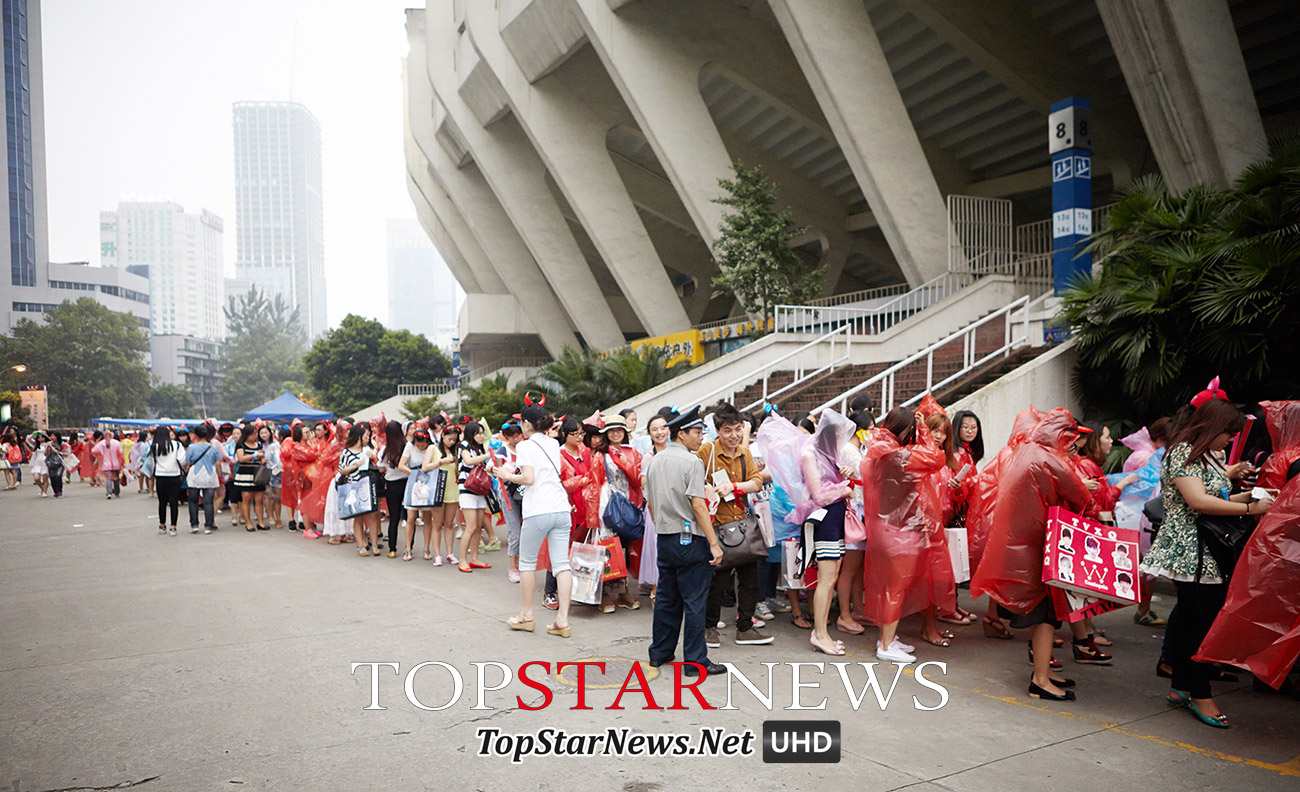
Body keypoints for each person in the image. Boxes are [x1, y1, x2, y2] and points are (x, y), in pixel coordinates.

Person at [1140, 398, 1273, 727]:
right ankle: (1199, 693)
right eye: (1228, 433)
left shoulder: (1203, 455)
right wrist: (1248, 509)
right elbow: (1199, 501)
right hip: (1191, 551)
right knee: (1200, 623)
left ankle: (1182, 687)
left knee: (1190, 619)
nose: (1230, 439)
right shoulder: (1184, 453)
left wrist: (1252, 497)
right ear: (1213, 428)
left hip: (1204, 549)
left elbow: (1217, 496)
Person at [970, 408, 1096, 702]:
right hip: (1041, 547)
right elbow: (1083, 498)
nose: (1075, 443)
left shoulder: (1024, 451)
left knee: (1045, 614)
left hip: (1022, 544)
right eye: (1073, 437)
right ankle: (1040, 679)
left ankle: (1044, 672)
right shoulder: (1050, 458)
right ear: (1061, 435)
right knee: (1046, 616)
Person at [646, 406, 725, 677]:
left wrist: (661, 525)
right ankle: (695, 661)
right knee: (694, 601)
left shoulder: (656, 459)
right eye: (697, 432)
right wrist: (714, 543)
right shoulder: (692, 462)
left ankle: (660, 652)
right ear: (681, 434)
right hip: (690, 538)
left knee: (667, 599)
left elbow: (650, 503)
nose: (701, 437)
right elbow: (699, 505)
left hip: (665, 537)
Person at [493, 404, 573, 638]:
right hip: (561, 508)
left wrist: (507, 475)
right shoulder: (553, 443)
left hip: (538, 509)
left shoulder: (526, 445)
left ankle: (527, 615)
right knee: (561, 565)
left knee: (526, 564)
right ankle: (562, 620)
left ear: (528, 424)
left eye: (521, 423)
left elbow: (528, 478)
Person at [697, 402, 770, 648]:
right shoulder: (706, 452)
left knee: (750, 579)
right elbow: (692, 481)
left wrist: (733, 487)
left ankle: (745, 628)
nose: (734, 435)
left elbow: (757, 482)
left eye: (738, 429)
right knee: (717, 581)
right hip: (715, 526)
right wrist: (708, 490)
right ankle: (708, 628)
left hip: (741, 525)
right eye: (728, 430)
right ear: (718, 430)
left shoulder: (744, 452)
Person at [591, 413, 645, 613]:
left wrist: (625, 462)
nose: (616, 434)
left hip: (628, 507)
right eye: (612, 430)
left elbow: (638, 480)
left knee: (624, 549)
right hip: (607, 506)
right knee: (607, 549)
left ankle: (623, 592)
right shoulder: (600, 455)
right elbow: (594, 484)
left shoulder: (633, 453)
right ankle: (605, 593)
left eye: (619, 430)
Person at [456, 422, 495, 572]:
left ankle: (474, 558)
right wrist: (489, 455)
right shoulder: (463, 446)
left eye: (482, 433)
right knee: (471, 527)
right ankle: (462, 560)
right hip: (467, 489)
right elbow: (468, 461)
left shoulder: (479, 448)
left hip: (480, 489)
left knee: (478, 527)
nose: (481, 436)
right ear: (472, 434)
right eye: (478, 433)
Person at [338, 423, 382, 555]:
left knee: (372, 515)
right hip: (353, 486)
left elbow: (377, 463)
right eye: (366, 435)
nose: (368, 438)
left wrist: (372, 456)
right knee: (358, 516)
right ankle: (361, 544)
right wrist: (355, 465)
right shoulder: (346, 452)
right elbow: (342, 470)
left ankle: (374, 543)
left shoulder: (368, 449)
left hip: (368, 485)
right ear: (358, 436)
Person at [496, 421, 526, 582]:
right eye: (511, 435)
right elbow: (491, 466)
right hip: (508, 493)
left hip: (525, 492)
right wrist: (506, 470)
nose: (515, 438)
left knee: (527, 530)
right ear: (506, 437)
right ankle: (513, 567)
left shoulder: (526, 448)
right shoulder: (503, 449)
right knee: (515, 531)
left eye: (518, 434)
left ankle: (523, 564)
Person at [377, 420, 408, 558]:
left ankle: (392, 549)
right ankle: (409, 547)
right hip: (407, 483)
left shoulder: (385, 450)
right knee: (409, 517)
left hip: (391, 485)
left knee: (394, 518)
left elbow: (381, 468)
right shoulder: (407, 447)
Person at [149, 425, 188, 536]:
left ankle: (162, 525)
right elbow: (182, 460)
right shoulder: (176, 445)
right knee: (174, 502)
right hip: (174, 475)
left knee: (162, 502)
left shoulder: (154, 446)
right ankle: (173, 527)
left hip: (160, 476)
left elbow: (153, 463)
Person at [185, 424, 223, 534]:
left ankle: (194, 525)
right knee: (208, 502)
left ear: (195, 435)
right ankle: (208, 525)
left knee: (193, 501)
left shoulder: (192, 447)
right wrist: (219, 476)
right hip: (209, 475)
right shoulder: (213, 448)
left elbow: (188, 462)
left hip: (195, 476)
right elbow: (218, 464)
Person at [233, 426, 268, 531]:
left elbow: (261, 458)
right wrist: (254, 456)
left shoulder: (259, 445)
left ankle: (260, 522)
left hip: (257, 474)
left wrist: (263, 460)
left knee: (259, 500)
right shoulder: (241, 445)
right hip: (245, 475)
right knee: (246, 499)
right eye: (252, 434)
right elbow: (241, 459)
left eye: (255, 434)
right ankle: (248, 522)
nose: (255, 436)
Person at [260, 426, 283, 530]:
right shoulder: (259, 445)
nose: (264, 435)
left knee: (277, 496)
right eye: (261, 433)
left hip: (276, 472)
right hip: (264, 472)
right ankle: (270, 515)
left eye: (265, 432)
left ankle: (277, 517)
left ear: (270, 433)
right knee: (267, 495)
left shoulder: (276, 444)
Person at [93, 430, 125, 499]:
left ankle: (109, 493)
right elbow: (121, 453)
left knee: (108, 479)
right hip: (116, 464)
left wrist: (100, 456)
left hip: (106, 464)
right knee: (116, 479)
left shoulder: (101, 444)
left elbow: (94, 450)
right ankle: (117, 492)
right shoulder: (117, 443)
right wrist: (122, 462)